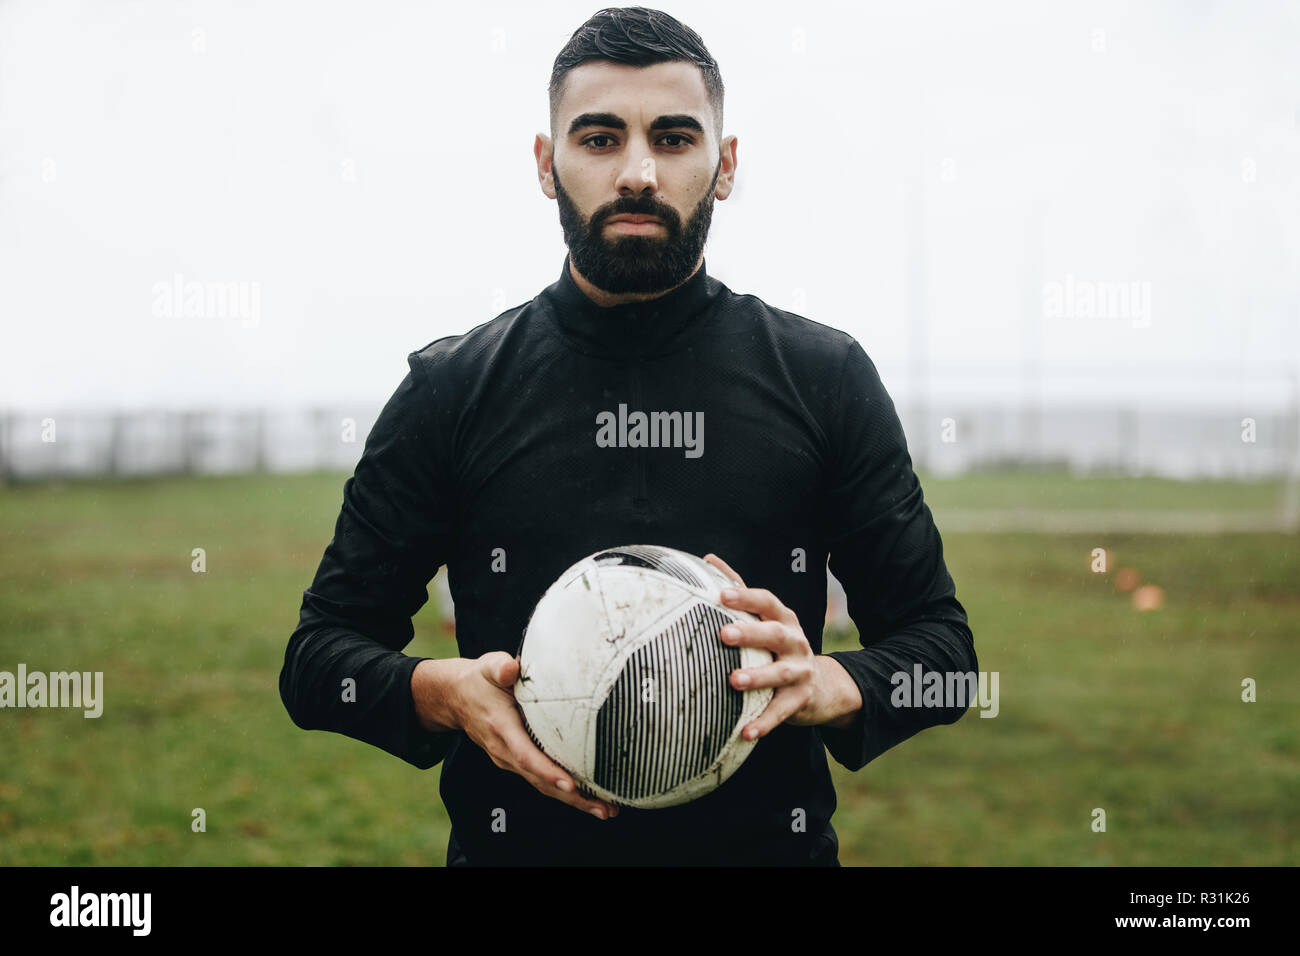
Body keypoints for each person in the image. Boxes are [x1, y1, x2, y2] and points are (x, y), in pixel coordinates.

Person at [279, 6, 976, 866]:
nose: (639, 172)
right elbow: (317, 660)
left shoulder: (822, 376)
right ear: (547, 164)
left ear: (724, 167)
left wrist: (830, 680)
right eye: (600, 138)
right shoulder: (452, 390)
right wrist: (441, 691)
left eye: (675, 139)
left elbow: (944, 654)